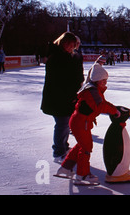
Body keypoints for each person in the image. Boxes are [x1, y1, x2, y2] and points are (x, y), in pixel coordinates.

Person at [55, 63, 120, 185]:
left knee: (81, 145)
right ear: (96, 80)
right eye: (103, 80)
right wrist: (114, 110)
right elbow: (100, 106)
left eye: (106, 80)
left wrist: (113, 108)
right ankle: (82, 175)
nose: (105, 83)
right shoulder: (92, 92)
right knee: (86, 147)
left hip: (80, 122)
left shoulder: (94, 90)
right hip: (80, 123)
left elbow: (103, 103)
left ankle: (66, 168)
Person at [40, 32, 84, 163]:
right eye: (71, 45)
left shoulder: (66, 56)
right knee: (62, 124)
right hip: (58, 98)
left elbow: (74, 76)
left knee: (64, 124)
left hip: (64, 97)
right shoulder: (57, 57)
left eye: (74, 46)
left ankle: (63, 147)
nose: (73, 48)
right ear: (64, 43)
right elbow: (62, 79)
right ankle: (59, 151)